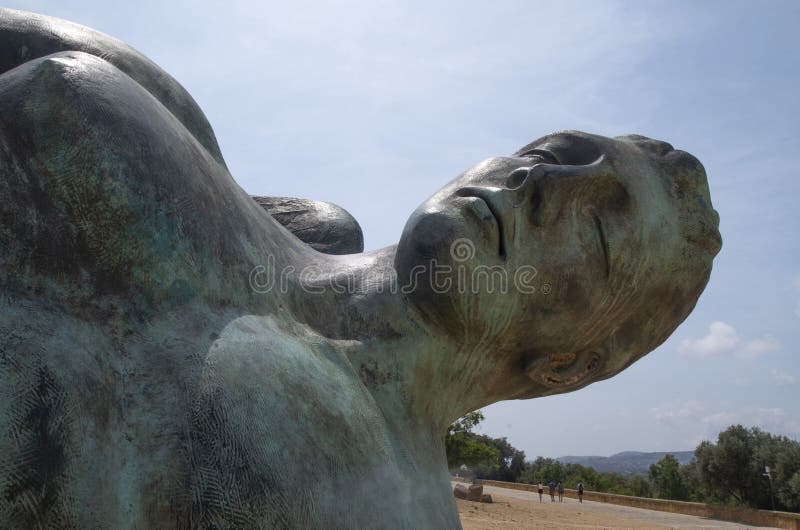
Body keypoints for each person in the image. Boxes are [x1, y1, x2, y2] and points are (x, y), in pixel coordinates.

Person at [0, 8, 721, 529]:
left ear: (567, 365)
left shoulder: (380, 503)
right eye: (555, 152)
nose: (543, 185)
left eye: (596, 227)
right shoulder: (289, 213)